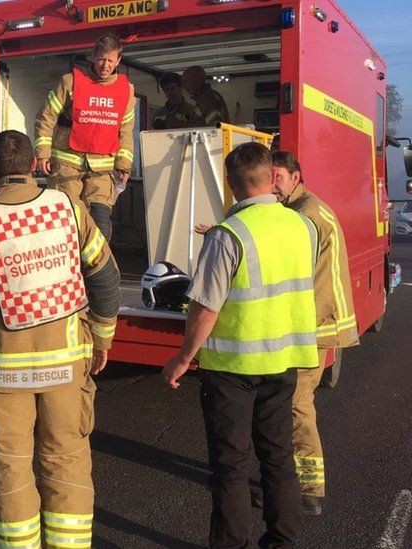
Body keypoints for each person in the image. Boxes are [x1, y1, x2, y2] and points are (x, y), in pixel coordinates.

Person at [0, 130, 121, 549]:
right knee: (67, 464)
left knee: (11, 471)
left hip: (4, 375)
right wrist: (102, 340)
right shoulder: (68, 208)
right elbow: (105, 278)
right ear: (33, 164)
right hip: (67, 368)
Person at [163, 143, 319, 548]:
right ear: (271, 177)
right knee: (278, 457)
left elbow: (205, 308)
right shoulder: (304, 226)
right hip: (284, 361)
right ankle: (282, 540)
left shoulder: (227, 234)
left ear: (232, 185)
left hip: (232, 370)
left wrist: (183, 357)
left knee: (231, 466)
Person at [272, 151, 358, 516]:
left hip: (313, 326)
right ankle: (291, 481)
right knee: (291, 403)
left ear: (295, 177)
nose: (272, 184)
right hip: (317, 323)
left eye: (278, 177)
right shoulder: (306, 208)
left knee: (296, 404)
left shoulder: (304, 215)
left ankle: (309, 490)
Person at [34, 33, 136, 241]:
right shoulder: (70, 82)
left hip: (102, 168)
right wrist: (43, 153)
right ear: (93, 56)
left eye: (110, 60)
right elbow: (46, 117)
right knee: (67, 220)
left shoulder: (126, 90)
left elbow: (126, 130)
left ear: (118, 60)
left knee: (100, 222)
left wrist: (124, 165)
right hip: (66, 164)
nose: (105, 65)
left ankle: (98, 261)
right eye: (101, 59)